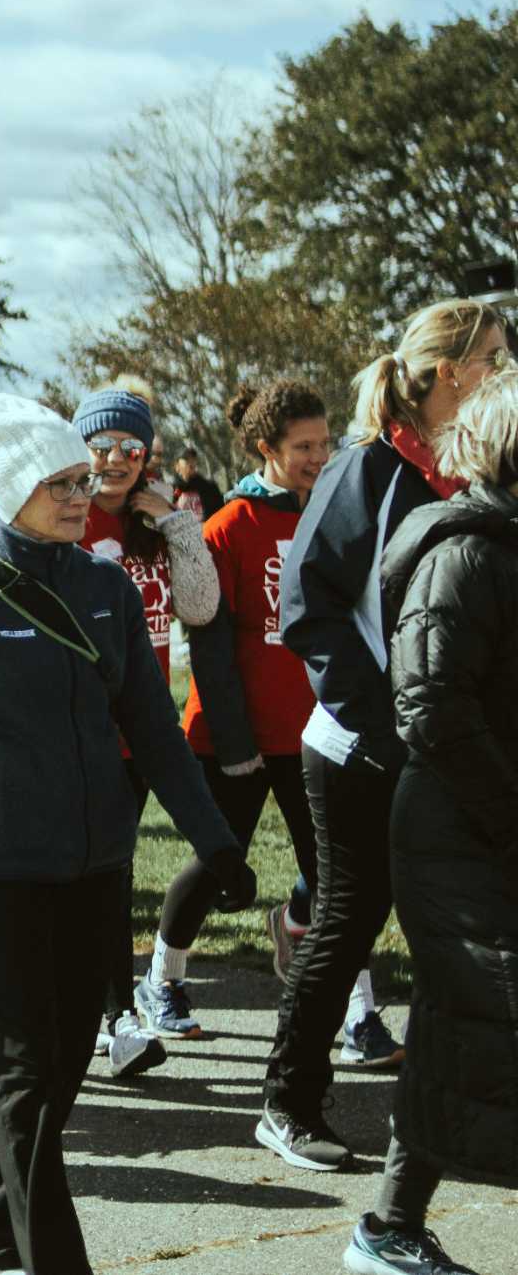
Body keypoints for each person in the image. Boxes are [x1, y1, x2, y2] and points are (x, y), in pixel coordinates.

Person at [0, 394, 252, 1275]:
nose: (84, 495)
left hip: (95, 870)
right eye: (60, 483)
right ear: (7, 490)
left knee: (57, 1072)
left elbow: (153, 733)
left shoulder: (108, 586)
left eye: (86, 479)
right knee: (21, 1081)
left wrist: (215, 841)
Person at [258, 296, 509, 1173]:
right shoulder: (366, 469)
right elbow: (306, 606)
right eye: (497, 359)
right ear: (452, 374)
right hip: (357, 745)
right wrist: (379, 712)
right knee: (349, 923)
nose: (506, 374)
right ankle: (287, 1102)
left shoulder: (466, 468)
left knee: (451, 927)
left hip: (435, 743)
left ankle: (440, 1123)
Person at [351, 372, 518, 1275]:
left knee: (457, 1022)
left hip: (490, 820)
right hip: (457, 829)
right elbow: (431, 704)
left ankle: (387, 1227)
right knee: (486, 1012)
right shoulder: (466, 551)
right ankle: (387, 1230)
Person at [157, 382, 333, 1037]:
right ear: (266, 448)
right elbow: (208, 643)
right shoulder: (229, 525)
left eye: (324, 442)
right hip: (232, 736)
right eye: (303, 446)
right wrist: (234, 744)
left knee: (335, 874)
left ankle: (321, 967)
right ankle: (164, 980)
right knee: (215, 863)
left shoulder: (331, 514)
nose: (318, 456)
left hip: (310, 731)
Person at [69, 390, 221, 1070]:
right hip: (81, 727)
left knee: (114, 872)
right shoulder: (65, 519)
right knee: (83, 873)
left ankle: (111, 1014)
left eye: (132, 448)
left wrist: (177, 525)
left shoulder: (156, 523)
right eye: (101, 446)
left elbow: (201, 607)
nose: (116, 461)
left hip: (142, 726)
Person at [171, 447, 225, 520]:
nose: (191, 463)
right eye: (186, 459)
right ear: (177, 466)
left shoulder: (210, 488)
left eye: (193, 459)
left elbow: (221, 515)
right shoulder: (171, 492)